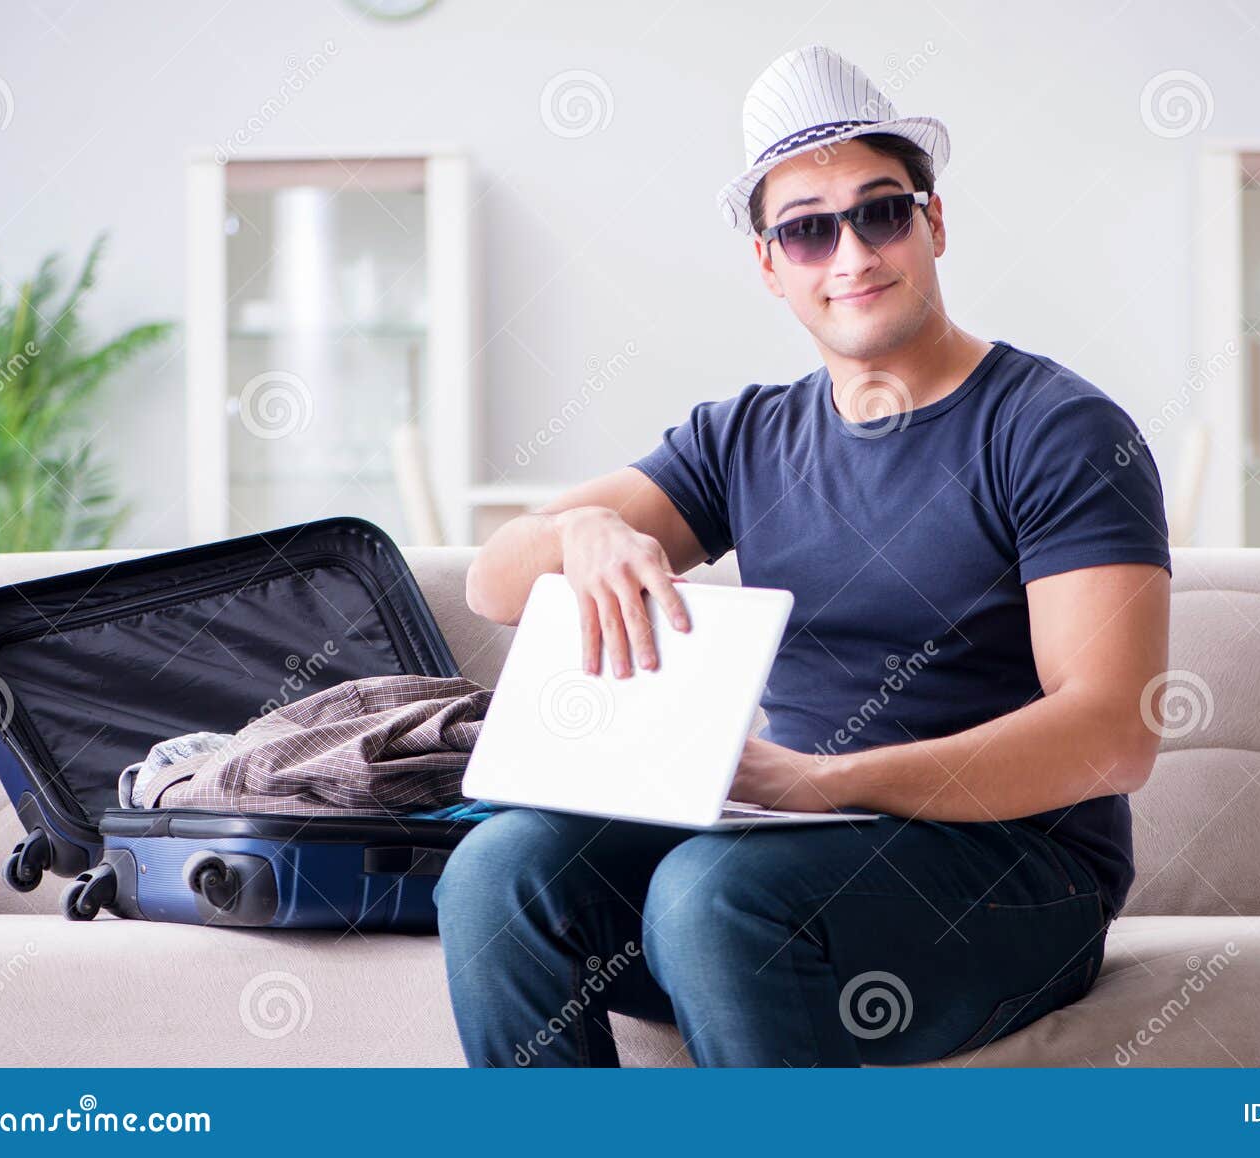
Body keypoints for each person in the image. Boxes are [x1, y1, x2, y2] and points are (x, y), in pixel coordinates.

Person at [434, 42, 1171, 1067]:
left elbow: (1111, 735)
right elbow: (493, 578)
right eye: (808, 231)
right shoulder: (747, 437)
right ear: (769, 266)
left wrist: (826, 783)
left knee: (706, 896)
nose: (853, 257)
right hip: (790, 849)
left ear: (934, 221)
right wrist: (580, 531)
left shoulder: (1057, 430)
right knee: (494, 871)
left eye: (881, 212)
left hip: (1013, 873)